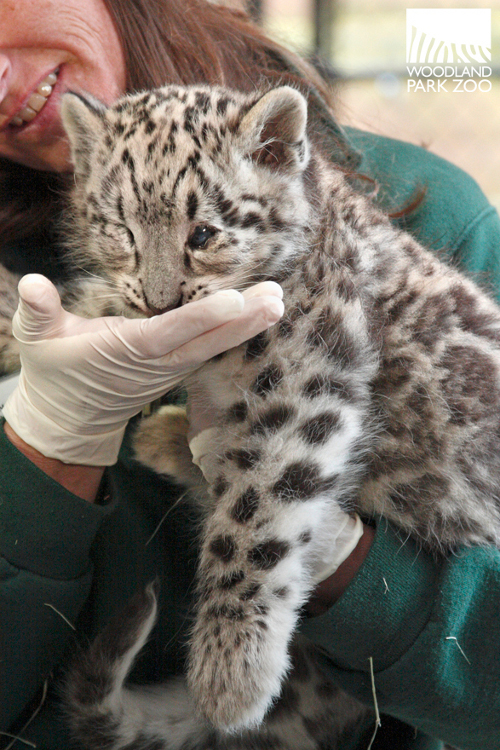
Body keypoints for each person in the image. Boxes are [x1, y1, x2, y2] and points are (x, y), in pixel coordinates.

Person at [0, 1, 499, 749]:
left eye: (202, 237)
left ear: (277, 153)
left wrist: (318, 573)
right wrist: (48, 445)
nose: (162, 291)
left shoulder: (420, 209)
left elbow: (307, 410)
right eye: (126, 239)